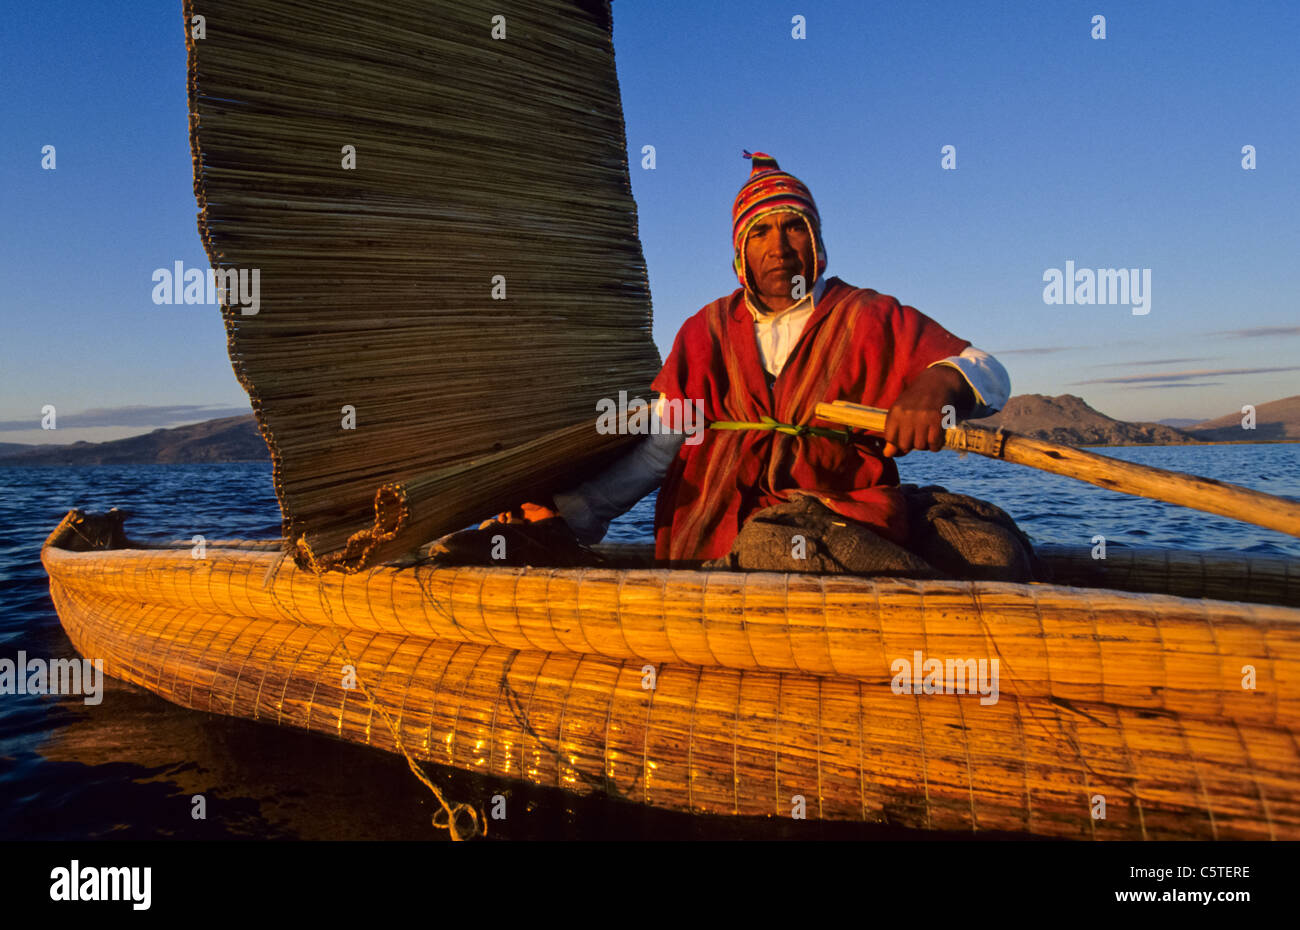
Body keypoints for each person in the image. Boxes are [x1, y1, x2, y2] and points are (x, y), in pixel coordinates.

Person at [457, 152, 1033, 578]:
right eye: (760, 231)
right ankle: (915, 598)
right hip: (723, 536)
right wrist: (571, 517)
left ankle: (926, 610)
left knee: (991, 548)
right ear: (740, 253)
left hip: (845, 514)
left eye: (792, 228)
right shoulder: (705, 330)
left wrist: (941, 384)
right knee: (771, 548)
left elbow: (988, 371)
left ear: (816, 242)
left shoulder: (867, 315)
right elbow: (660, 448)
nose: (778, 246)